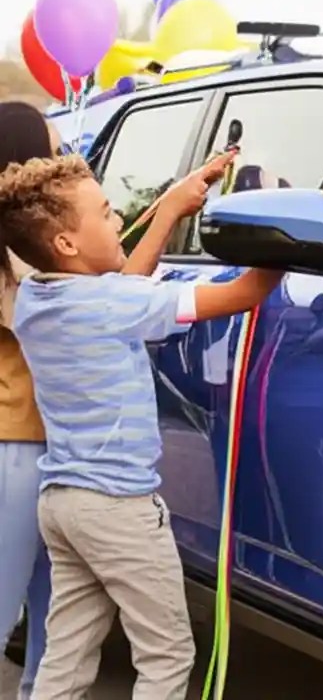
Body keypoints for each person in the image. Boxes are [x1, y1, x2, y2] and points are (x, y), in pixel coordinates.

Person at [0, 152, 284, 698]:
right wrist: (296, 229)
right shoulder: (113, 303)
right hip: (118, 508)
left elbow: (124, 283)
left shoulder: (37, 298)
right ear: (66, 244)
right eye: (107, 215)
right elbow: (245, 293)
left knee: (68, 650)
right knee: (167, 650)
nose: (117, 222)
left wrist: (170, 209)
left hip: (64, 502)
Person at [0, 101, 64, 700]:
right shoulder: (15, 254)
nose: (65, 157)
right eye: (54, 145)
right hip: (13, 449)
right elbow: (41, 317)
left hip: (57, 449)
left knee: (56, 623)